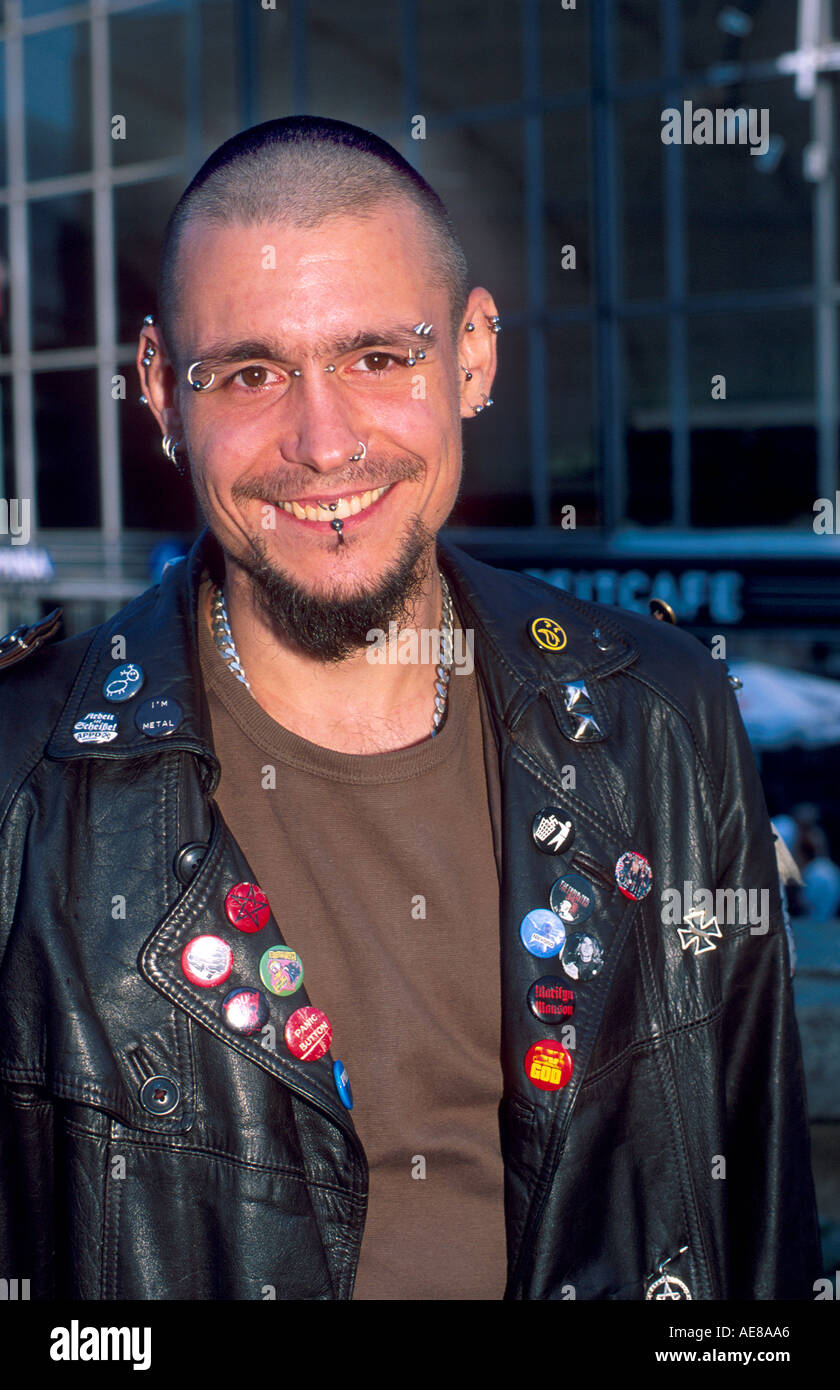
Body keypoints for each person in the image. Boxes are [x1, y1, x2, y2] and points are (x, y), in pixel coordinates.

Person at [0, 116, 821, 1301]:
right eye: (251, 372)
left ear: (473, 357)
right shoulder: (24, 772)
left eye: (377, 357)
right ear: (161, 392)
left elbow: (758, 1233)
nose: (324, 444)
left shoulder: (664, 718)